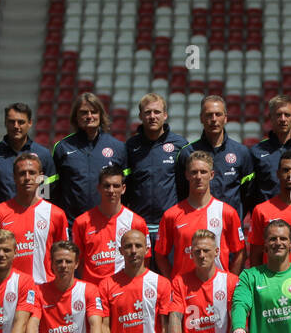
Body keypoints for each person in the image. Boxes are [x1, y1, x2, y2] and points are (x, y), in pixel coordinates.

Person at [0, 153, 70, 283]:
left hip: (45, 291)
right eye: (22, 173)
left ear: (41, 177)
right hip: (9, 290)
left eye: (32, 173)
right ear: (14, 177)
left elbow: (63, 255)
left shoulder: (56, 214)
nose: (27, 178)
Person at [157, 152, 246, 278]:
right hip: (183, 293)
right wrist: (172, 282)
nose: (198, 177)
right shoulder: (171, 215)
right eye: (194, 172)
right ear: (187, 175)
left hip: (217, 292)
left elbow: (240, 252)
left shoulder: (227, 212)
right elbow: (160, 254)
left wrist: (229, 282)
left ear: (211, 175)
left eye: (203, 172)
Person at [98, 229, 180, 333]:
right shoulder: (106, 284)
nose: (133, 250)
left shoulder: (162, 283)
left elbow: (166, 323)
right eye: (128, 246)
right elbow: (103, 324)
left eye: (138, 246)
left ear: (147, 250)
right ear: (120, 251)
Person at [50, 92, 127, 222]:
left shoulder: (118, 147)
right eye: (84, 112)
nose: (89, 116)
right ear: (76, 117)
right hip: (71, 224)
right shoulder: (62, 147)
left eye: (94, 112)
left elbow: (126, 187)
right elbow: (49, 185)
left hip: (107, 222)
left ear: (101, 115)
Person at [175, 95, 254, 218]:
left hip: (229, 225)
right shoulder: (187, 153)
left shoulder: (241, 152)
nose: (213, 119)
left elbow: (247, 194)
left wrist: (235, 217)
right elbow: (181, 191)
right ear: (201, 118)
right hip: (197, 223)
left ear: (225, 118)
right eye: (209, 115)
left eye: (218, 114)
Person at [70, 165, 150, 283]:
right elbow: (78, 261)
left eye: (116, 186)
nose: (111, 190)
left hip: (123, 290)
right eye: (107, 186)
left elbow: (145, 259)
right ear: (99, 188)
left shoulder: (137, 222)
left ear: (123, 189)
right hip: (93, 292)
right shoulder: (82, 222)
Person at [124, 92, 188, 235]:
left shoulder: (180, 145)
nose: (152, 116)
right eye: (147, 112)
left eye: (157, 112)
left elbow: (187, 184)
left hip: (171, 225)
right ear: (140, 116)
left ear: (165, 115)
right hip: (138, 225)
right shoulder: (130, 146)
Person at [0, 102, 56, 213]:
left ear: (30, 123)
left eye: (21, 122)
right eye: (12, 122)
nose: (16, 126)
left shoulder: (43, 154)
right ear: (5, 123)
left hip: (35, 219)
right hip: (2, 223)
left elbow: (48, 190)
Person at [31, 241, 105, 333]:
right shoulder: (38, 291)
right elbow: (33, 323)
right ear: (51, 264)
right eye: (59, 261)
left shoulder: (89, 290)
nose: (63, 265)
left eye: (68, 261)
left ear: (76, 264)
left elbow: (95, 323)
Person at [170, 230, 236, 333]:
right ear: (191, 254)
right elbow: (175, 317)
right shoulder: (180, 281)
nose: (201, 255)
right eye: (197, 251)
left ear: (216, 252)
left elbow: (236, 318)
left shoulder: (230, 281)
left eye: (206, 251)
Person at [249, 94, 291, 209]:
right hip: (268, 217)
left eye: (287, 115)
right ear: (270, 117)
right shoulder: (256, 152)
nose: (283, 119)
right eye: (278, 115)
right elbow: (250, 191)